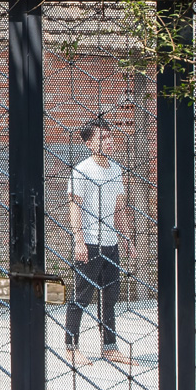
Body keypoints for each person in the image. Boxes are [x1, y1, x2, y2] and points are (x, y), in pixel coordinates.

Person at [65, 118, 134, 366]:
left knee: (110, 296)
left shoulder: (115, 170)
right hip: (90, 243)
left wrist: (126, 238)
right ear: (88, 143)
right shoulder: (82, 170)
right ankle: (71, 347)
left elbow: (119, 208)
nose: (109, 141)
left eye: (110, 136)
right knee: (82, 296)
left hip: (110, 243)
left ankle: (109, 346)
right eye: (102, 138)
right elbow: (75, 207)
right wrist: (79, 241)